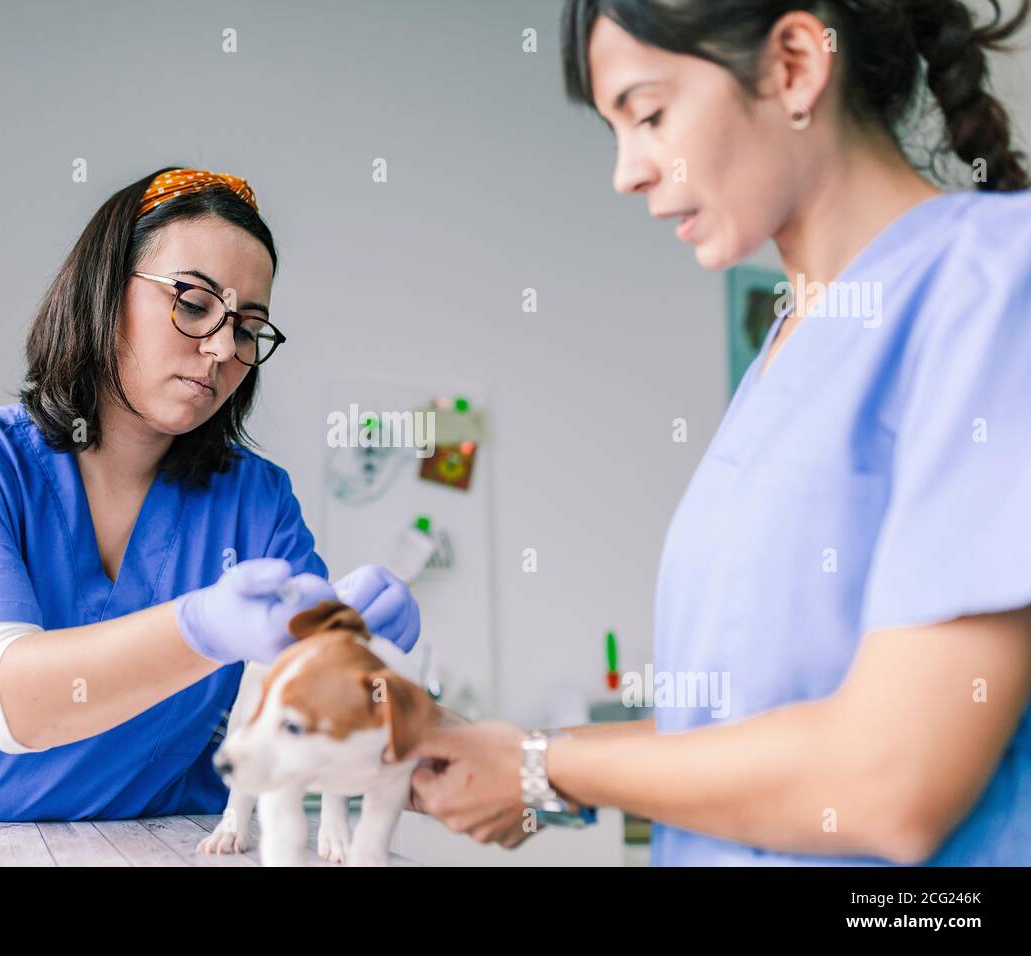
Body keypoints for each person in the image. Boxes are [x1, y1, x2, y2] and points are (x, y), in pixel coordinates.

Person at [411, 0, 1031, 865]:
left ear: (793, 66)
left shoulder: (995, 286)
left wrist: (556, 764)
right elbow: (745, 727)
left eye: (650, 114)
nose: (626, 171)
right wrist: (525, 765)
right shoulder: (779, 359)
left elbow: (891, 781)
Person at [0, 167, 419, 822]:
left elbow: (316, 718)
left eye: (249, 328)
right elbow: (12, 701)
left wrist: (374, 672)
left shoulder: (256, 503)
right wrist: (201, 627)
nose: (223, 348)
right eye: (194, 303)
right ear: (103, 291)